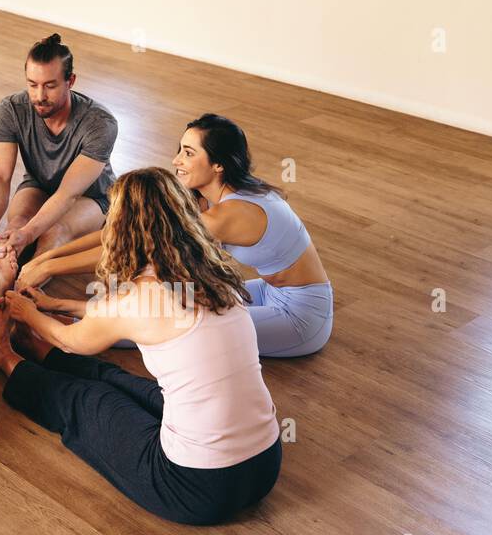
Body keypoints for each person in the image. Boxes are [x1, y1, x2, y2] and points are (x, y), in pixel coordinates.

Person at [0, 168, 281, 525]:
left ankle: (4, 356)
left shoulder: (142, 298)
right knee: (129, 385)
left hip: (194, 487)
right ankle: (40, 354)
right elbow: (123, 317)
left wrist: (26, 312)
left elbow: (72, 340)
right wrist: (56, 306)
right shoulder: (214, 276)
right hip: (265, 465)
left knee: (89, 400)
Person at [18, 114, 333, 357]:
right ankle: (65, 310)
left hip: (301, 315)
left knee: (155, 319)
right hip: (265, 292)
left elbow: (134, 248)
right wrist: (49, 255)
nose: (176, 161)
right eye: (179, 150)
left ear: (218, 164)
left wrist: (49, 268)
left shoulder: (227, 215)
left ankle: (61, 328)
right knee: (154, 300)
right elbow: (125, 230)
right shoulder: (222, 192)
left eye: (188, 153)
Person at [0, 33, 117, 265]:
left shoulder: (100, 123)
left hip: (91, 196)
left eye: (50, 86)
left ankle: (21, 293)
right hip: (39, 185)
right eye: (32, 85)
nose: (39, 96)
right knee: (15, 226)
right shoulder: (10, 110)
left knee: (54, 232)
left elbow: (67, 193)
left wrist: (30, 234)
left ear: (70, 81)